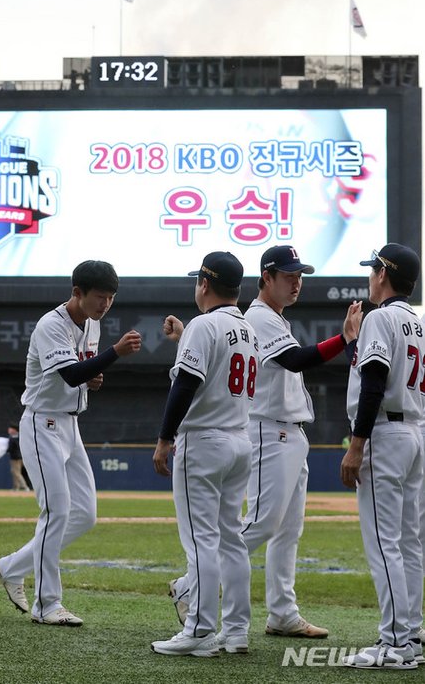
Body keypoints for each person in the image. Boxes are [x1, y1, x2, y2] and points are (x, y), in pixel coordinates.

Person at [166, 245, 362, 638]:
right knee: (259, 523)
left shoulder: (270, 319)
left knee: (288, 530)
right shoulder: (257, 316)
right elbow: (295, 360)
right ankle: (190, 585)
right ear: (265, 279)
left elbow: (221, 353)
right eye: (288, 276)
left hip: (289, 432)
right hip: (266, 430)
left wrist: (185, 335)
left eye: (300, 276)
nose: (297, 283)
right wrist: (342, 339)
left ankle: (282, 612)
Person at [0, 260, 142, 626]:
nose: (105, 304)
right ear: (77, 292)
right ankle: (47, 604)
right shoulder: (51, 324)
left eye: (111, 297)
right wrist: (112, 355)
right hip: (42, 423)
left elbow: (80, 373)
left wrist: (93, 376)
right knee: (57, 512)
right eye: (99, 296)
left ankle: (13, 567)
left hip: (70, 425)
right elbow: (71, 372)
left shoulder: (92, 323)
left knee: (85, 514)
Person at [150, 252, 257, 658]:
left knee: (200, 542)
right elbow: (215, 367)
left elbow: (187, 384)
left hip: (204, 441)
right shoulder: (248, 329)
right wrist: (186, 338)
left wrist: (164, 437)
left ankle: (198, 630)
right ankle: (237, 632)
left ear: (205, 285)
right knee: (231, 540)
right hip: (239, 440)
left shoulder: (202, 325)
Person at [341, 244, 424, 670]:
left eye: (374, 269)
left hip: (386, 435)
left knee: (384, 542)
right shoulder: (417, 322)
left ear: (383, 274)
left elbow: (373, 382)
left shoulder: (381, 317)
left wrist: (357, 444)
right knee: (409, 541)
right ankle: (411, 633)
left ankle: (395, 643)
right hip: (414, 431)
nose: (370, 276)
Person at [7, 424, 28, 491]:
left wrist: (7, 450)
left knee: (16, 473)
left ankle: (25, 487)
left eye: (10, 429)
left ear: (14, 430)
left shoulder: (16, 437)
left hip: (16, 458)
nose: (9, 430)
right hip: (18, 457)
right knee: (14, 472)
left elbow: (12, 447)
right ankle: (16, 487)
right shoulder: (14, 437)